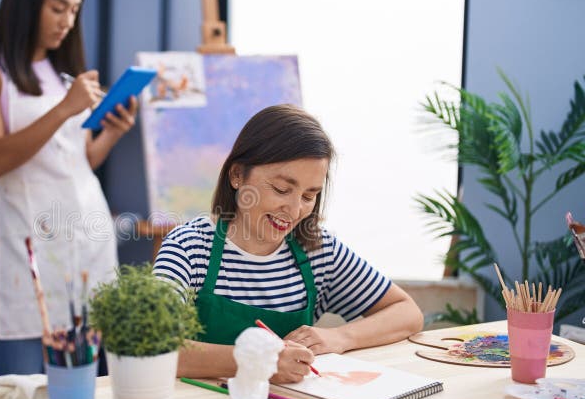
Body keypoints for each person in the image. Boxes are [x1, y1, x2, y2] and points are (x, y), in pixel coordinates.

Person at [153, 104, 424, 383]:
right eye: (282, 190)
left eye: (309, 196)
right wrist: (258, 361)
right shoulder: (188, 248)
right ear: (237, 175)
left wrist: (339, 337)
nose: (294, 211)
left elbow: (408, 313)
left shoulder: (319, 252)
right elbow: (156, 346)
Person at [0, 0, 137, 374]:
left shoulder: (66, 76)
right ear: (26, 1)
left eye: (74, 10)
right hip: (33, 243)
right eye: (58, 7)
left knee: (92, 382)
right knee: (25, 386)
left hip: (89, 236)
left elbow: (80, 159)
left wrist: (113, 130)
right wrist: (63, 110)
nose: (67, 21)